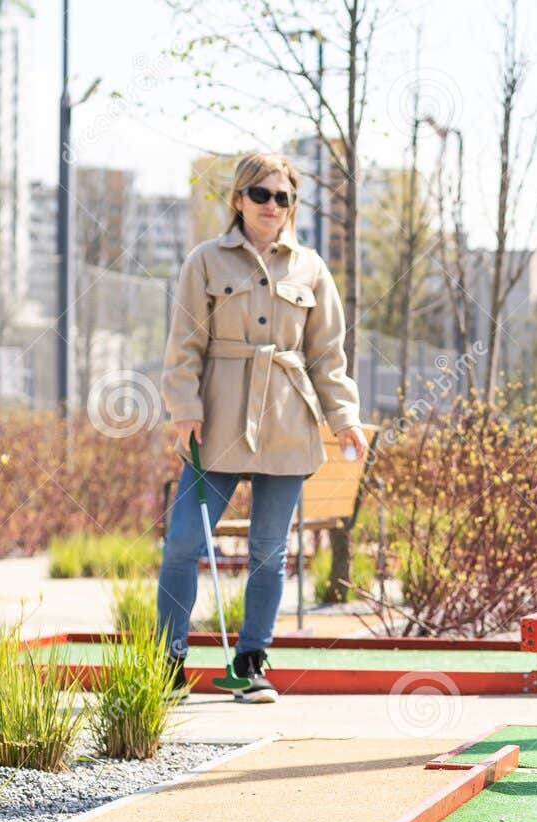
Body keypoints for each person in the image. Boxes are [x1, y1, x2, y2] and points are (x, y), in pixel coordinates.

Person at [157, 152, 368, 703]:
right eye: (261, 194)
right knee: (182, 542)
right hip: (216, 422)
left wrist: (344, 418)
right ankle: (167, 663)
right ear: (238, 198)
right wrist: (184, 409)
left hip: (288, 424)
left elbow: (328, 355)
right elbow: (184, 346)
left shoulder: (311, 269)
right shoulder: (204, 261)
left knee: (270, 552)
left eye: (283, 197)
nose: (272, 206)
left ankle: (249, 661)